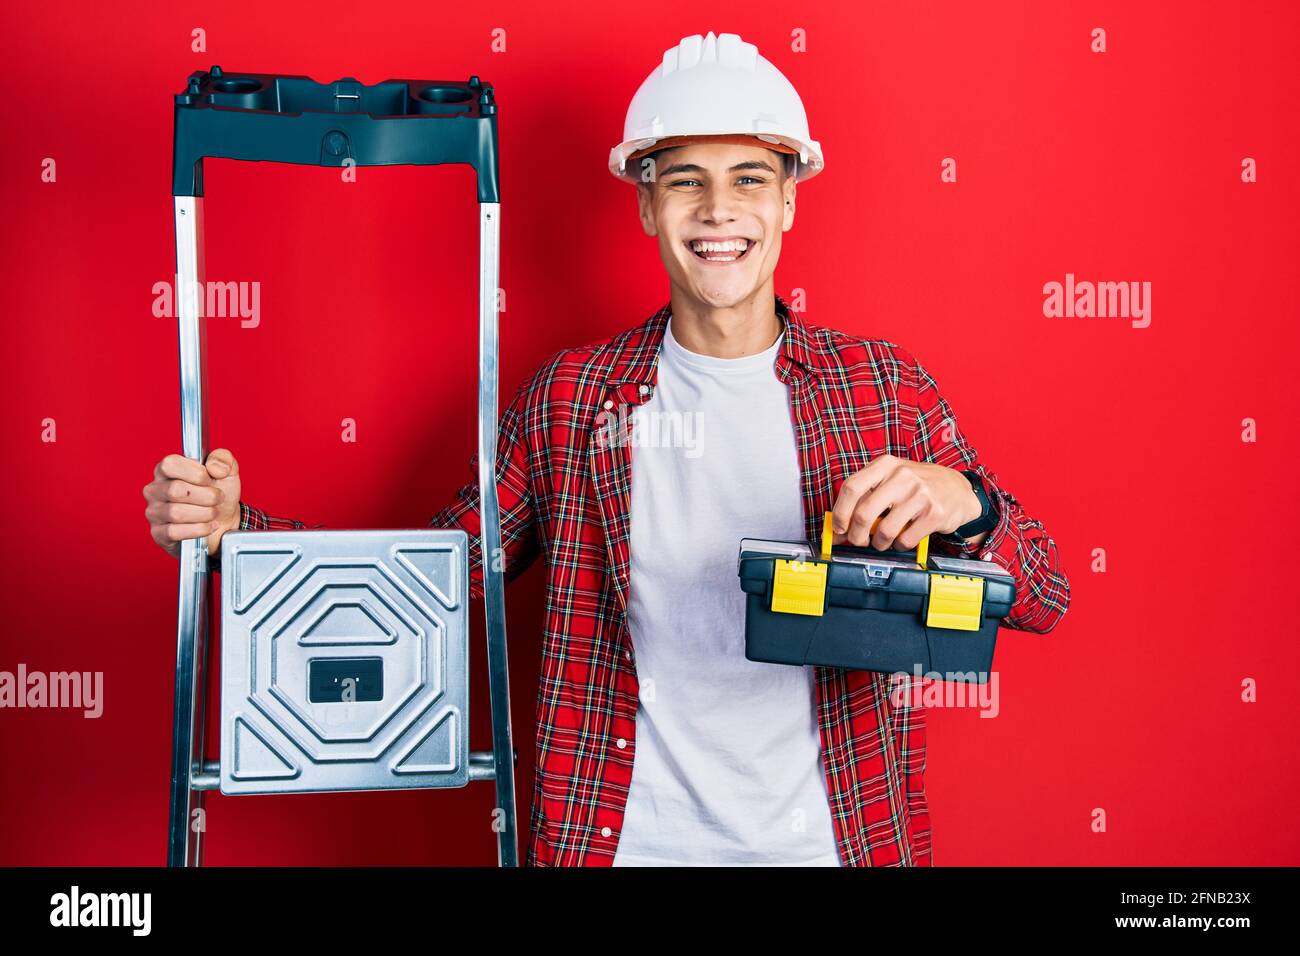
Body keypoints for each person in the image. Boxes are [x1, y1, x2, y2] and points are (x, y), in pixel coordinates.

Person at [143, 31, 1069, 866]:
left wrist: (970, 508)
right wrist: (237, 535)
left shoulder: (883, 391)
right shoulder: (574, 398)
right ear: (645, 205)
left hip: (837, 844)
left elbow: (1048, 592)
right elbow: (439, 582)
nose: (719, 210)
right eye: (684, 180)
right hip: (620, 843)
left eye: (749, 178)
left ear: (788, 202)